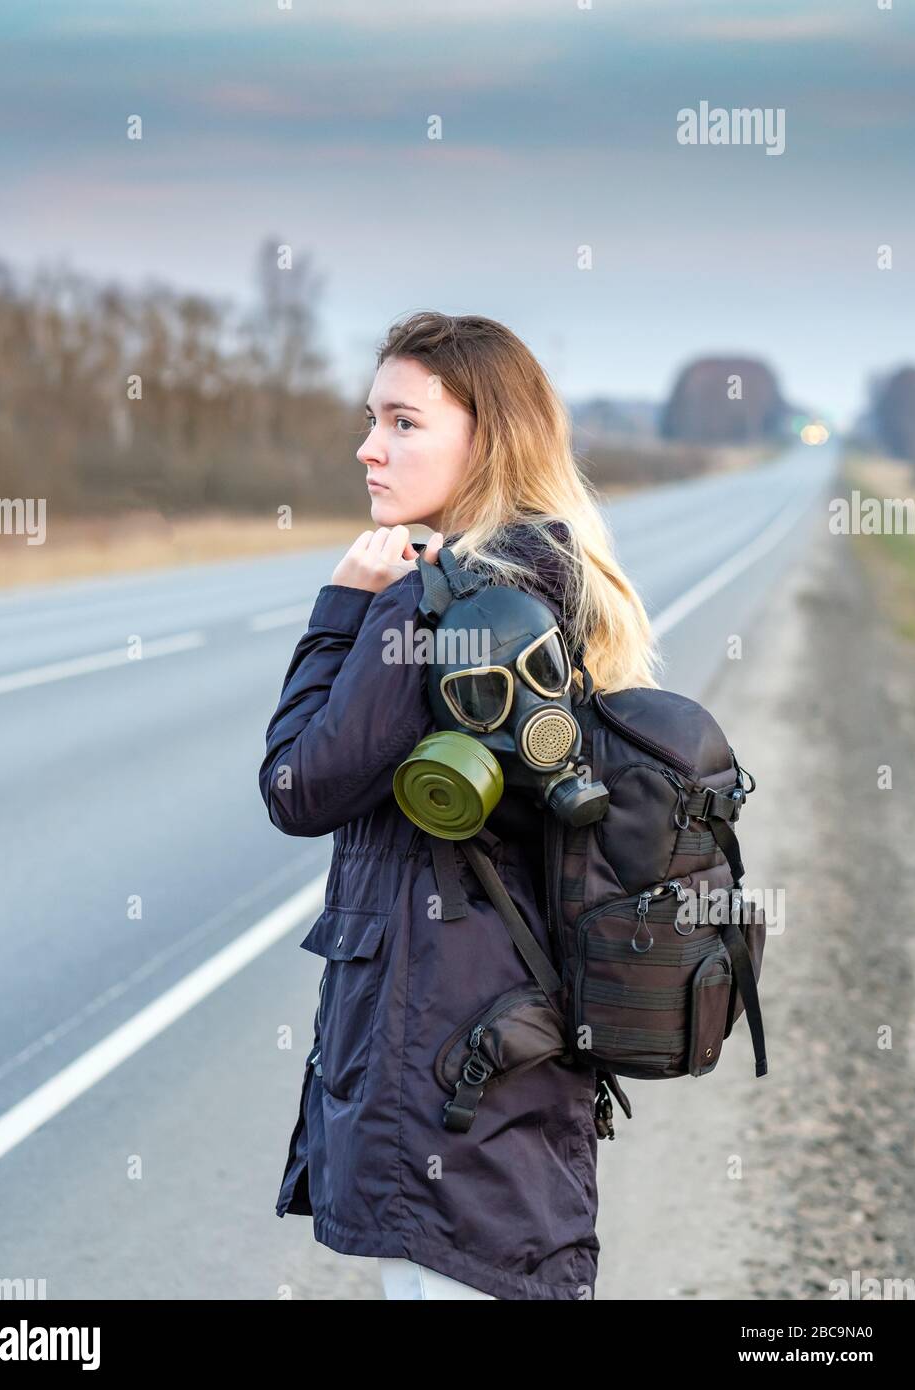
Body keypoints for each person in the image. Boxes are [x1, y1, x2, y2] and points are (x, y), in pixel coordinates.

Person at [259, 311, 663, 1300]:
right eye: (370, 419)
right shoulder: (561, 574)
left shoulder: (433, 605)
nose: (367, 446)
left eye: (402, 422)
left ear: (485, 436)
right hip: (521, 1044)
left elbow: (296, 785)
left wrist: (341, 605)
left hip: (440, 1061)